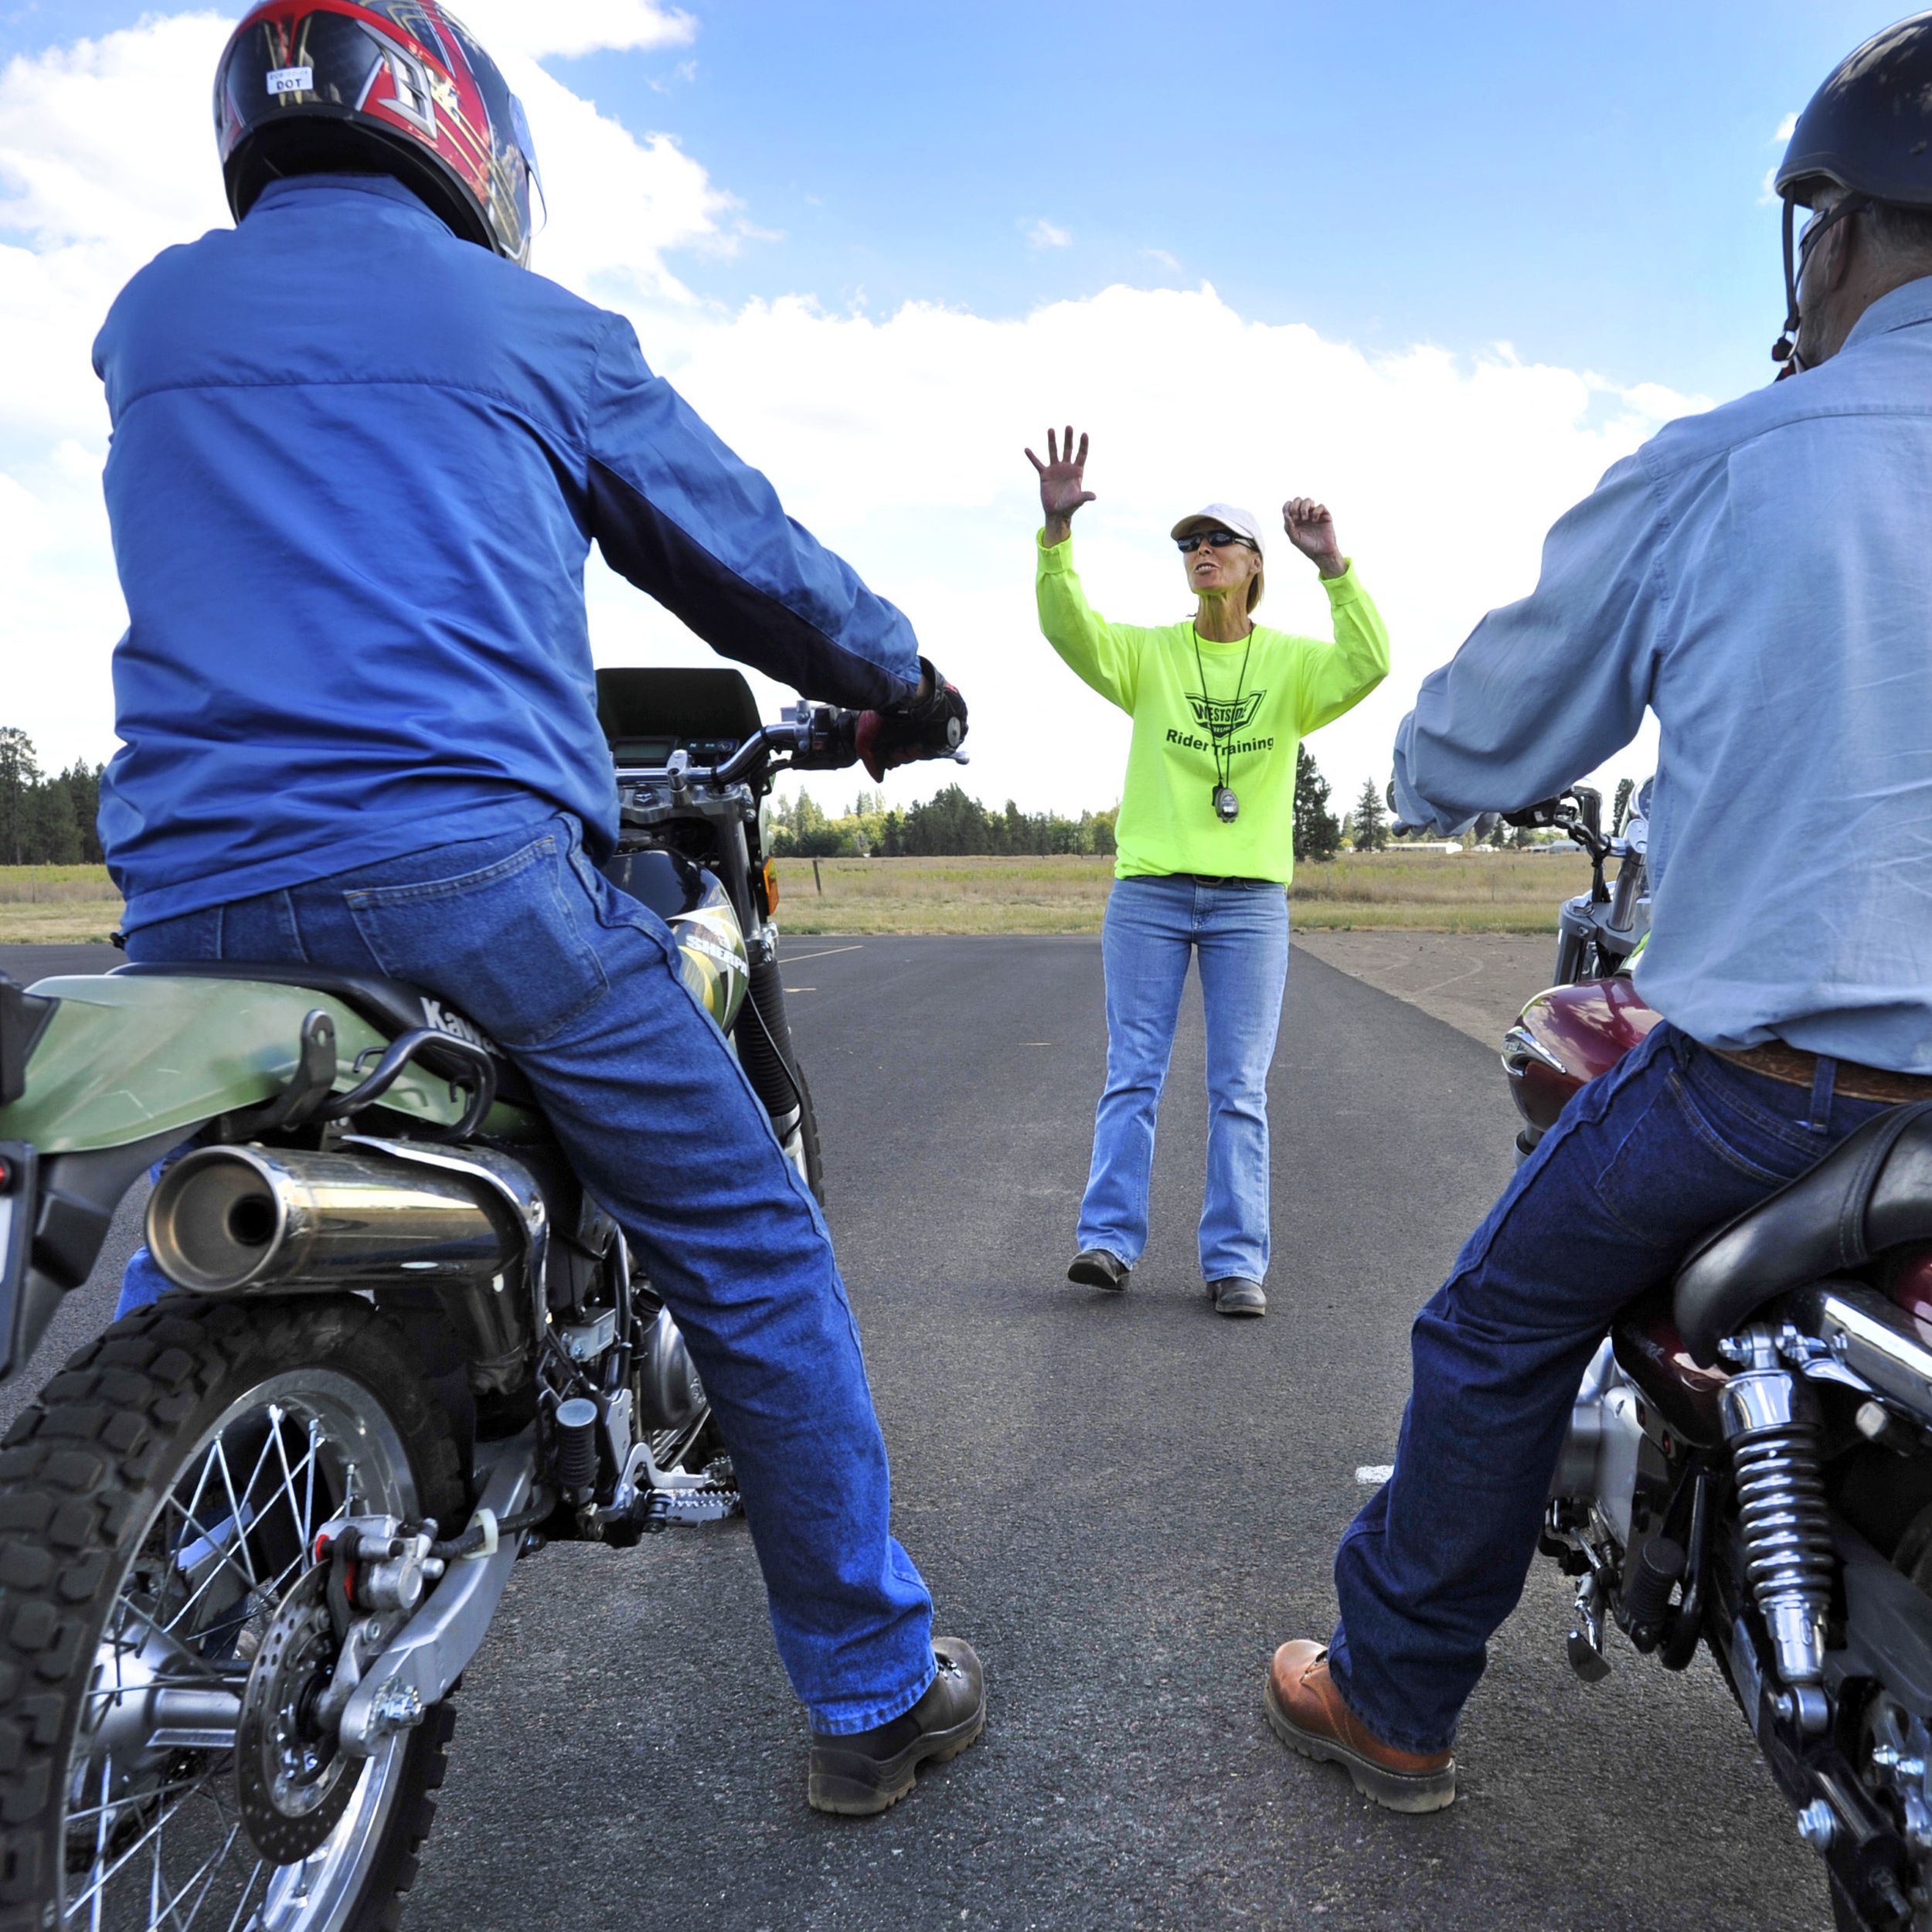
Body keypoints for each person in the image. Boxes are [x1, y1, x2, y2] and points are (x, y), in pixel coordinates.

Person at [93, 0, 981, 1818]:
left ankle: (115, 1578)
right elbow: (744, 549)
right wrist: (901, 680)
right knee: (754, 1250)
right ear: (459, 129)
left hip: (186, 901)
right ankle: (875, 1690)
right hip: (470, 883)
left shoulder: (153, 317)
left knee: (159, 1241)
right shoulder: (528, 324)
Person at [1264, 12, 1932, 1815]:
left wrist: (1424, 772)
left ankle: (1395, 1695)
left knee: (1487, 1325)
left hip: (1796, 1084)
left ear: (1842, 229)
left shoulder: (1747, 456)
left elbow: (1484, 732)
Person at [1028, 430, 1388, 1318]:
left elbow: (1370, 661)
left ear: (1254, 562)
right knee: (1133, 1073)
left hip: (1250, 904)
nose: (1200, 554)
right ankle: (1108, 1243)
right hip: (1149, 892)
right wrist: (1056, 536)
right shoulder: (1149, 655)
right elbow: (1068, 629)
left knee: (1238, 1087)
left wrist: (1334, 566)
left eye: (1217, 540)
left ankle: (1234, 1263)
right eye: (1189, 544)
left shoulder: (1293, 666)